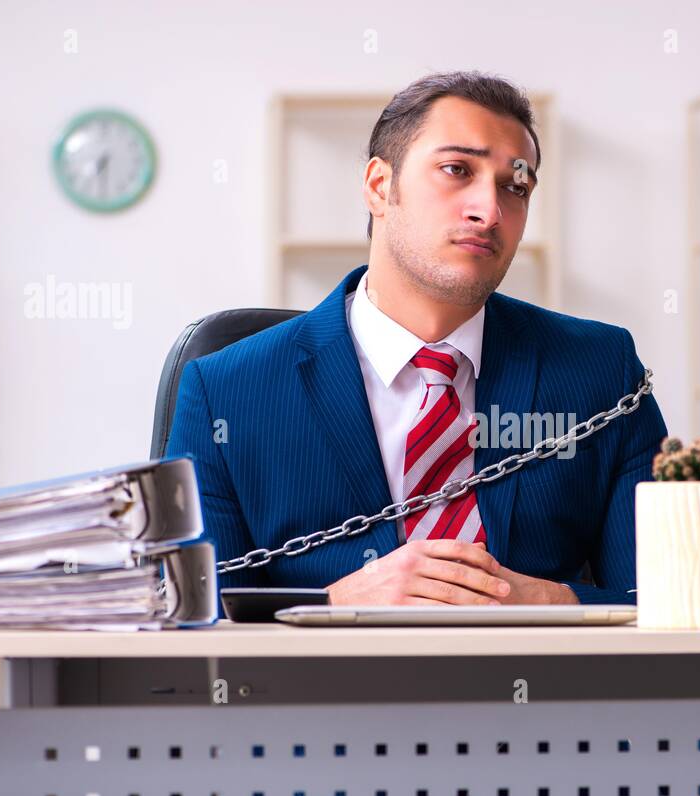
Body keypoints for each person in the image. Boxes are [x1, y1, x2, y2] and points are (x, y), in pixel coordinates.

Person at [167, 70, 667, 609]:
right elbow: (191, 618)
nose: (489, 211)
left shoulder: (603, 372)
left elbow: (672, 602)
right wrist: (331, 607)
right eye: (457, 170)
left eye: (515, 187)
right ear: (379, 187)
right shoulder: (226, 391)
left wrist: (548, 603)